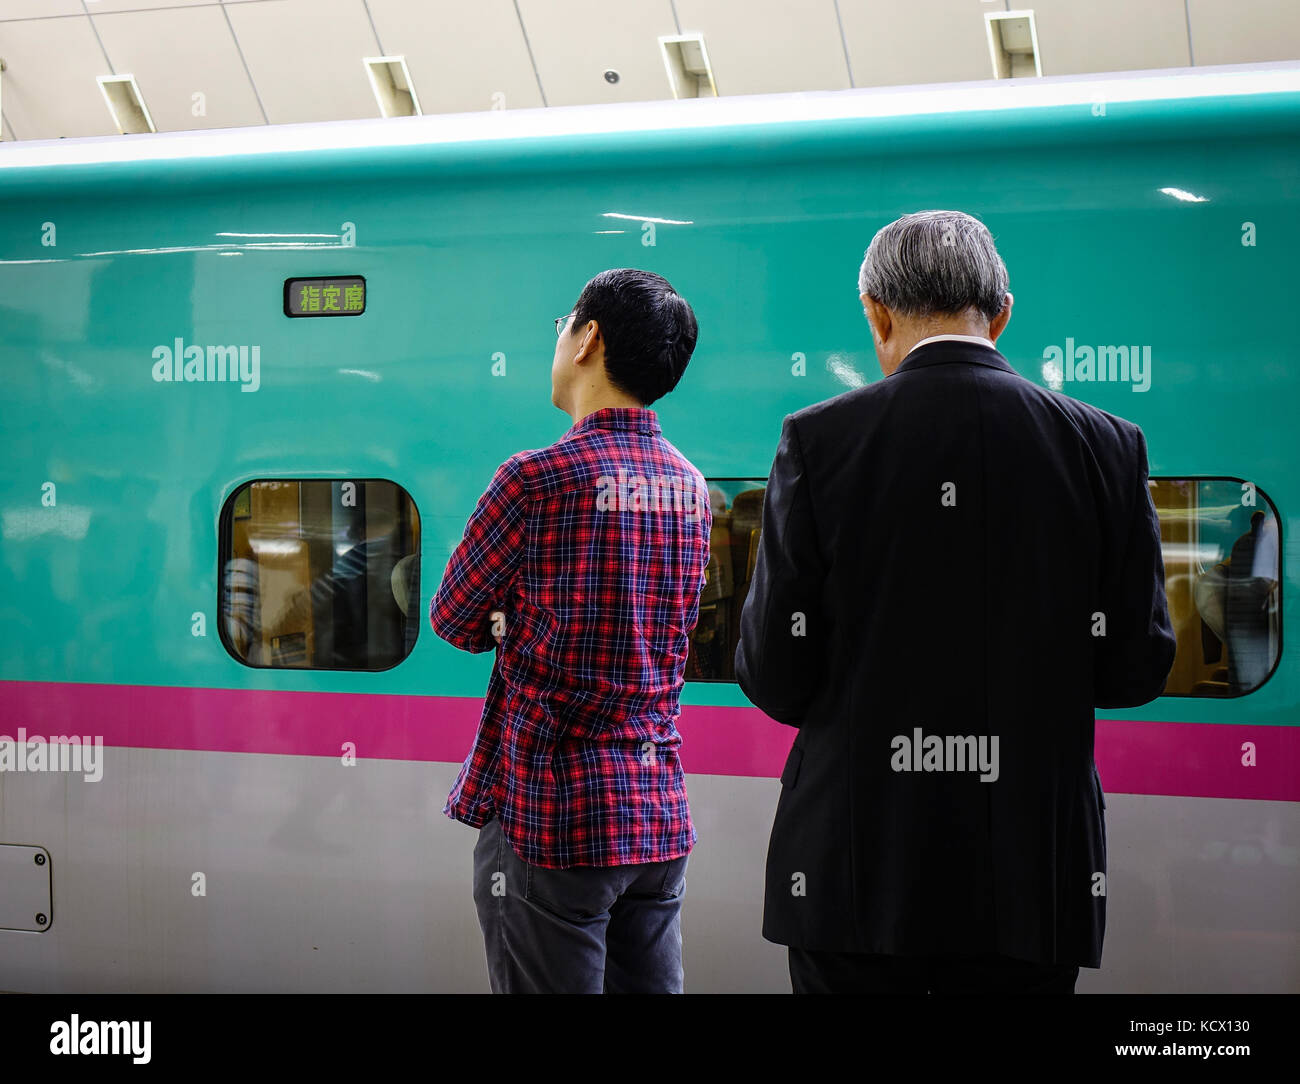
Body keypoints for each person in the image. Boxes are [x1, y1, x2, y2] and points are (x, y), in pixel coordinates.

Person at [735, 210, 1177, 994]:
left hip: (853, 872)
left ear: (876, 314)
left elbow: (775, 673)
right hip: (1031, 877)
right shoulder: (1109, 445)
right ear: (1002, 314)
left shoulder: (817, 441)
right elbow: (1135, 667)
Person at [429, 268, 710, 994]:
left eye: (563, 323)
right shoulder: (689, 486)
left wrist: (515, 616)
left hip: (556, 816)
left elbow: (454, 617)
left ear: (589, 338)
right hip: (655, 814)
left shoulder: (536, 479)